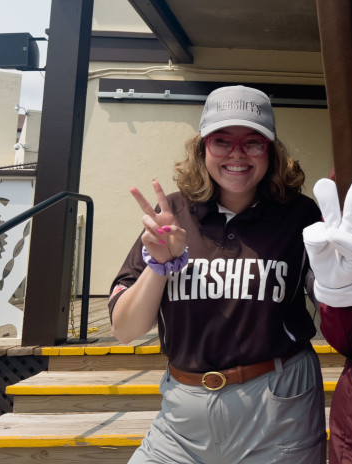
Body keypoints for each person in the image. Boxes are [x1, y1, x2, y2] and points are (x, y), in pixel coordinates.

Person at [108, 85, 326, 464]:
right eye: (222, 140)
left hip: (278, 406)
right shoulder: (172, 215)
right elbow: (125, 330)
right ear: (202, 148)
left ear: (271, 151)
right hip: (181, 417)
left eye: (253, 142)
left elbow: (331, 301)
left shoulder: (300, 215)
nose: (237, 154)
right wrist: (160, 266)